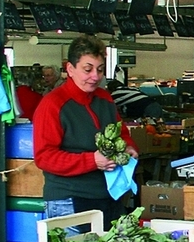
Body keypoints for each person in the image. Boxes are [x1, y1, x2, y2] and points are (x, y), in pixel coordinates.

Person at [33, 35, 138, 225]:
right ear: (70, 69)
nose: (95, 76)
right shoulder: (52, 105)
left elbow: (121, 132)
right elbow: (44, 157)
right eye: (87, 70)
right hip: (69, 200)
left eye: (100, 70)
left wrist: (128, 147)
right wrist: (92, 161)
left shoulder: (104, 99)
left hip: (108, 197)